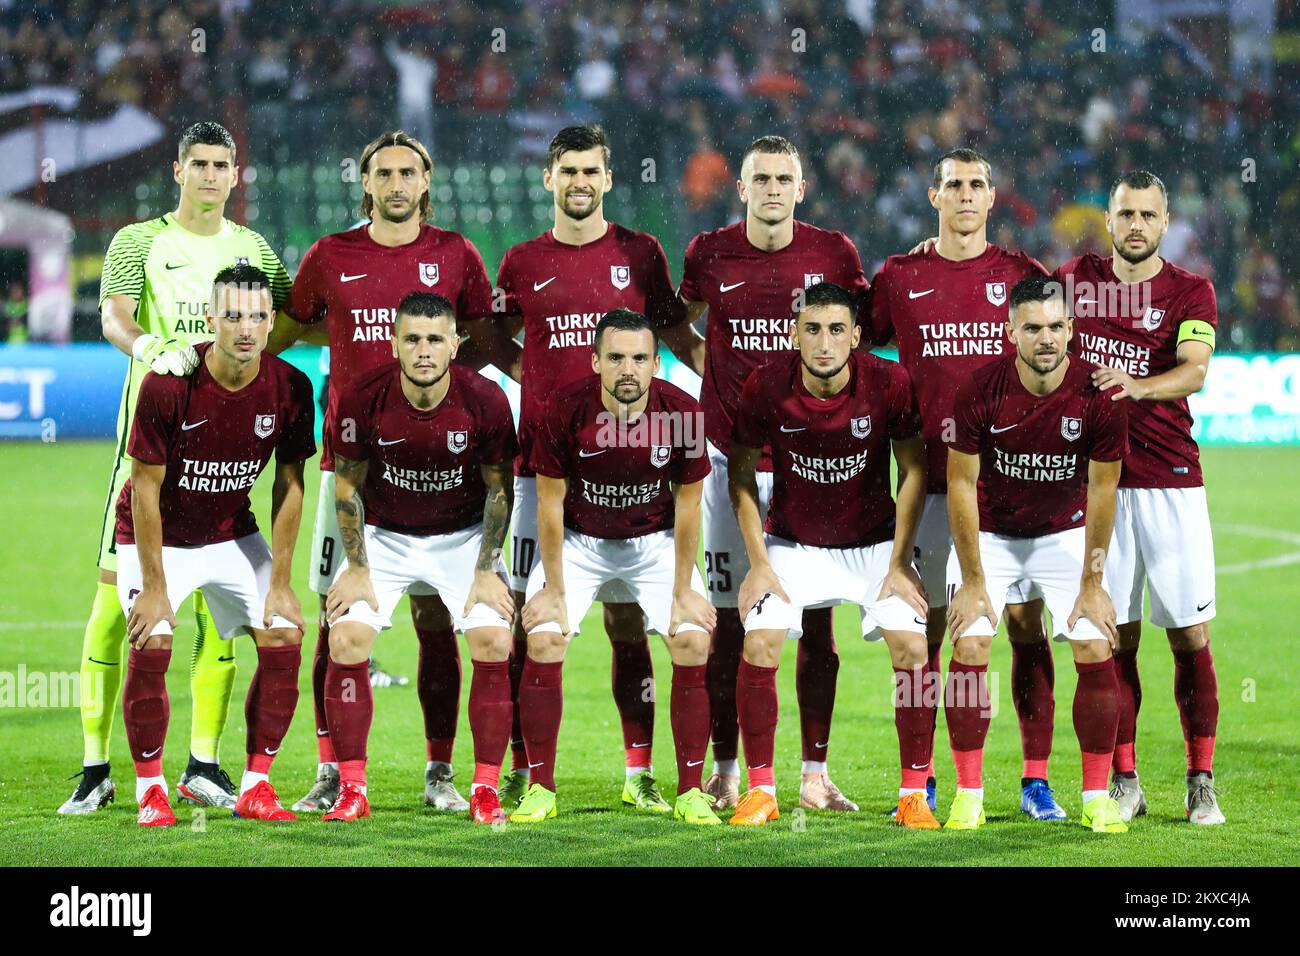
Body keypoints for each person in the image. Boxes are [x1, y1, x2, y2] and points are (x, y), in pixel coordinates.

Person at [60, 121, 293, 816]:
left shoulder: (252, 248)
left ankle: (203, 764)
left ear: (234, 174)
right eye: (200, 164)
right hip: (152, 451)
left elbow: (285, 315)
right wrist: (148, 347)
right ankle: (95, 767)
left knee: (216, 624)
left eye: (223, 164)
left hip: (222, 462)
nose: (213, 176)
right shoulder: (139, 241)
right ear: (178, 170)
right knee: (114, 614)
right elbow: (113, 317)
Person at [269, 130, 498, 814]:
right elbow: (287, 331)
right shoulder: (331, 255)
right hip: (351, 467)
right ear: (365, 184)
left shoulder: (456, 255)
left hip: (439, 472)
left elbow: (480, 344)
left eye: (408, 173)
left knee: (436, 619)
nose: (396, 184)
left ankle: (440, 773)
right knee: (337, 614)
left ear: (426, 183)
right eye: (383, 174)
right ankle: (332, 771)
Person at [482, 125, 688, 813]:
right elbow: (490, 333)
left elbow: (675, 331)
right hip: (536, 469)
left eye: (590, 170)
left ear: (607, 177)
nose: (579, 181)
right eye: (567, 170)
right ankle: (522, 768)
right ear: (549, 179)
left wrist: (717, 385)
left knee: (629, 623)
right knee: (528, 619)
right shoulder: (520, 260)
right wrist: (533, 380)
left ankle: (639, 772)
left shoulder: (640, 253)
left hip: (630, 470)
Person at [663, 135, 870, 812]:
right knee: (729, 621)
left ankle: (814, 774)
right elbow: (675, 320)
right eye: (763, 178)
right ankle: (727, 770)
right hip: (728, 458)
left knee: (816, 625)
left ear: (801, 189)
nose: (774, 188)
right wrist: (706, 367)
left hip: (810, 462)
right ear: (743, 188)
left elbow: (858, 331)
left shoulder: (833, 253)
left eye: (786, 177)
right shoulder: (709, 253)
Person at [868, 147, 1065, 821]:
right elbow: (852, 346)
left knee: (1023, 624)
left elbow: (1054, 354)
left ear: (991, 197)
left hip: (1008, 487)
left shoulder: (1021, 275)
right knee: (919, 636)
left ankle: (1035, 778)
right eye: (953, 185)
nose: (965, 195)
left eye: (977, 184)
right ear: (934, 198)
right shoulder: (900, 276)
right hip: (926, 484)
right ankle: (917, 781)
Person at [114, 264, 314, 826]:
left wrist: (280, 583)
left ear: (272, 321)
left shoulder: (290, 387)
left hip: (230, 531)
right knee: (152, 641)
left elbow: (291, 484)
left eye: (256, 316)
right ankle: (150, 788)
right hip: (157, 537)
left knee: (284, 634)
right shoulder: (169, 384)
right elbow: (145, 490)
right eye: (232, 316)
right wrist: (154, 590)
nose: (245, 328)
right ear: (210, 319)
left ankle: (256, 785)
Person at [727, 282, 931, 827]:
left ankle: (914, 794)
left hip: (874, 547)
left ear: (857, 336)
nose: (824, 342)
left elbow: (914, 469)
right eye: (812, 329)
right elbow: (741, 472)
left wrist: (900, 559)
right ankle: (762, 790)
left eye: (837, 330)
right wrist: (759, 562)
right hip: (794, 546)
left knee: (913, 648)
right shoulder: (766, 385)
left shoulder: (889, 382)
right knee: (761, 641)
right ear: (794, 334)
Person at [1057, 170, 1224, 825]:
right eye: (1124, 213)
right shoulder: (1076, 280)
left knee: (1188, 632)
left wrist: (1137, 385)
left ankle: (1200, 778)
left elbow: (1196, 371)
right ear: (1108, 217)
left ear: (1165, 220)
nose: (1135, 226)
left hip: (1170, 483)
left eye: (1147, 216)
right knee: (1111, 637)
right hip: (1096, 486)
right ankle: (1125, 779)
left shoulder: (1190, 290)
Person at [512, 309, 719, 825]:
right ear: (595, 361)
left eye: (640, 358)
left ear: (655, 364)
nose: (629, 369)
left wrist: (682, 590)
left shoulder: (683, 413)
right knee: (543, 635)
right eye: (617, 358)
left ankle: (689, 790)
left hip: (654, 542)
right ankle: (540, 787)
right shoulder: (563, 409)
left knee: (692, 637)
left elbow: (689, 505)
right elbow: (550, 505)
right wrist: (555, 589)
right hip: (581, 542)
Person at [318, 292, 518, 824]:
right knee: (345, 636)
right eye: (412, 339)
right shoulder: (362, 397)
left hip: (462, 539)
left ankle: (483, 788)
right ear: (395, 343)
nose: (423, 351)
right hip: (385, 538)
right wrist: (358, 568)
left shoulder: (487, 401)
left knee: (495, 637)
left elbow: (500, 491)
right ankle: (353, 788)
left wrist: (485, 569)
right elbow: (347, 488)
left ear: (456, 344)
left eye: (435, 339)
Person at [943, 275, 1129, 833]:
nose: (1046, 339)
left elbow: (1102, 491)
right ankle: (969, 794)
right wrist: (974, 578)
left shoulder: (1099, 395)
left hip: (1064, 533)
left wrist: (1093, 582)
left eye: (1055, 327)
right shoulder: (979, 389)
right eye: (1032, 328)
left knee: (1095, 645)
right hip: (994, 537)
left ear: (1070, 329)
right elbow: (960, 484)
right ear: (1011, 332)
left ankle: (1096, 795)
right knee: (972, 642)